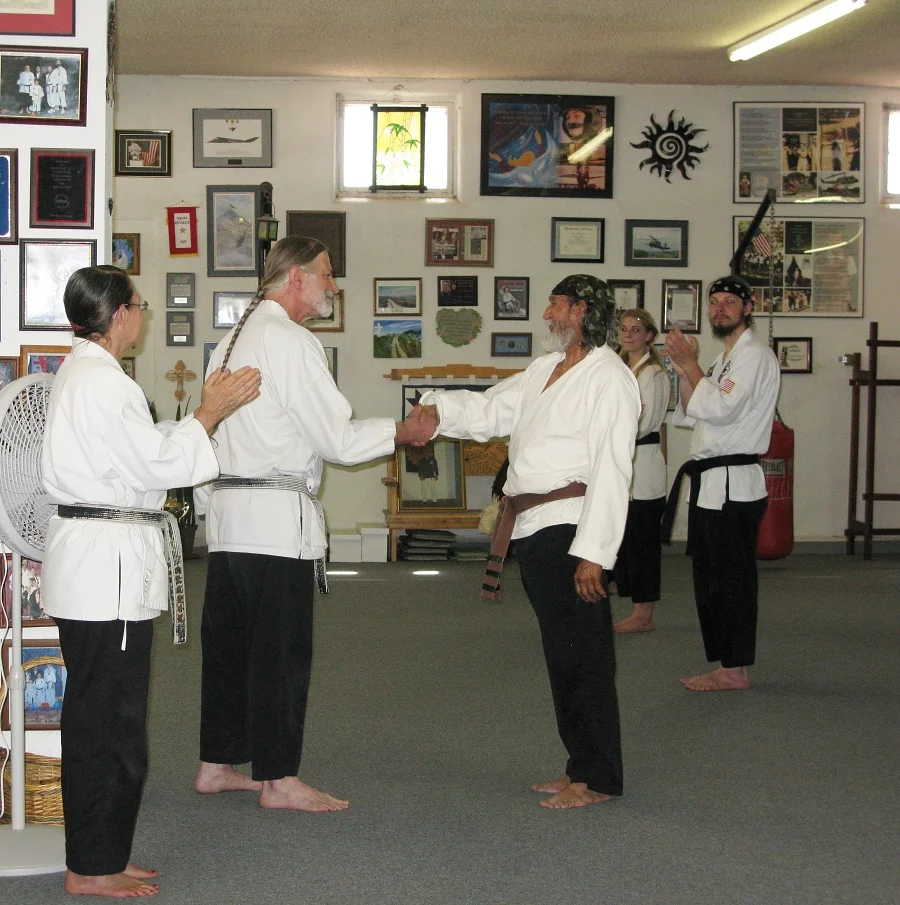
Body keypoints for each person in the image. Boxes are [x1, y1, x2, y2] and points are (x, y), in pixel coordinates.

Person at [194, 235, 437, 812]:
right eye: (327, 274)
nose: (333, 285)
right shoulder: (290, 340)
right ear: (296, 277)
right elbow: (337, 439)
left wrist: (207, 511)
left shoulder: (229, 339)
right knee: (279, 653)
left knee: (230, 649)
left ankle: (216, 764)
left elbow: (205, 431)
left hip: (229, 521)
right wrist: (401, 432)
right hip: (276, 526)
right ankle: (278, 781)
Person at [42, 264, 261, 898]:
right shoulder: (101, 383)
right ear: (118, 315)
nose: (143, 314)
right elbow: (159, 463)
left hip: (97, 565)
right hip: (101, 573)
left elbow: (138, 455)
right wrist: (209, 414)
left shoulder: (89, 374)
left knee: (106, 720)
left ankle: (99, 854)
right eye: (139, 304)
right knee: (107, 725)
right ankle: (90, 867)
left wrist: (194, 423)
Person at [419, 274, 640, 809]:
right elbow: (492, 408)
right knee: (562, 656)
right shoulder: (546, 369)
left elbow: (613, 469)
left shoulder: (609, 377)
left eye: (555, 304)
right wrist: (436, 409)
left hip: (572, 527)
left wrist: (595, 553)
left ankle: (601, 778)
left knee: (586, 657)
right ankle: (579, 766)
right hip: (535, 529)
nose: (546, 313)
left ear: (582, 311)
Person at [663, 276, 780, 692]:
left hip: (735, 484)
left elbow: (723, 409)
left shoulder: (754, 356)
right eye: (714, 303)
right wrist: (683, 371)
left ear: (747, 309)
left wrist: (692, 366)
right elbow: (695, 411)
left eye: (730, 302)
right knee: (709, 578)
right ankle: (725, 663)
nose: (720, 309)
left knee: (732, 579)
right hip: (712, 482)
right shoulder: (724, 358)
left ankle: (736, 669)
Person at [613, 309, 670, 634]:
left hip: (643, 462)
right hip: (620, 463)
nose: (628, 334)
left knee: (644, 542)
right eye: (624, 328)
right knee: (624, 535)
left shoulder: (654, 374)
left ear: (649, 335)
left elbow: (644, 422)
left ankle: (644, 613)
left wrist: (608, 429)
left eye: (636, 329)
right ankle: (624, 586)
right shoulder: (621, 367)